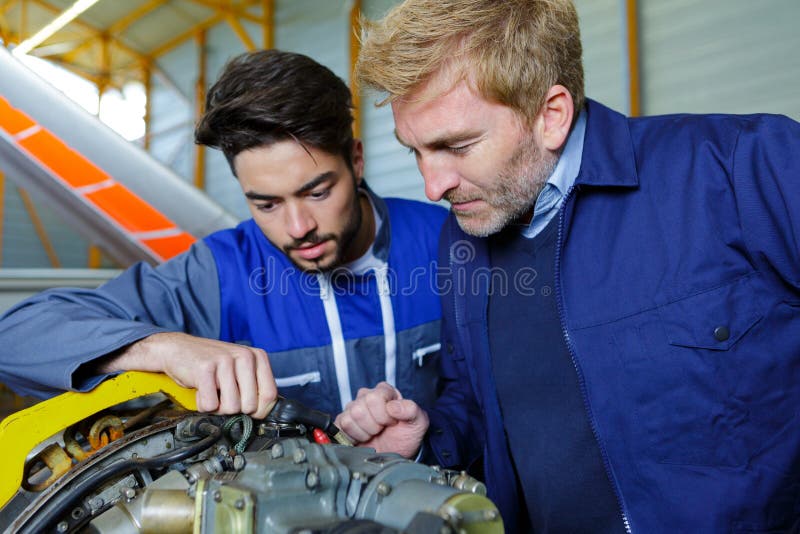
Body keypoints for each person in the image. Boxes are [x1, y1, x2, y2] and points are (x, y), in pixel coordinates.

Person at [334, 0, 800, 532]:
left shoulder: (744, 167)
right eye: (414, 151)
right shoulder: (462, 238)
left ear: (550, 115)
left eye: (456, 146)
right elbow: (478, 399)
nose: (432, 186)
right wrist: (425, 439)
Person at [0, 49, 447, 422]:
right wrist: (162, 348)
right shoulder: (220, 272)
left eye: (316, 192)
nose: (297, 228)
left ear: (357, 160)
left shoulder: (444, 244)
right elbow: (17, 337)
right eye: (265, 204)